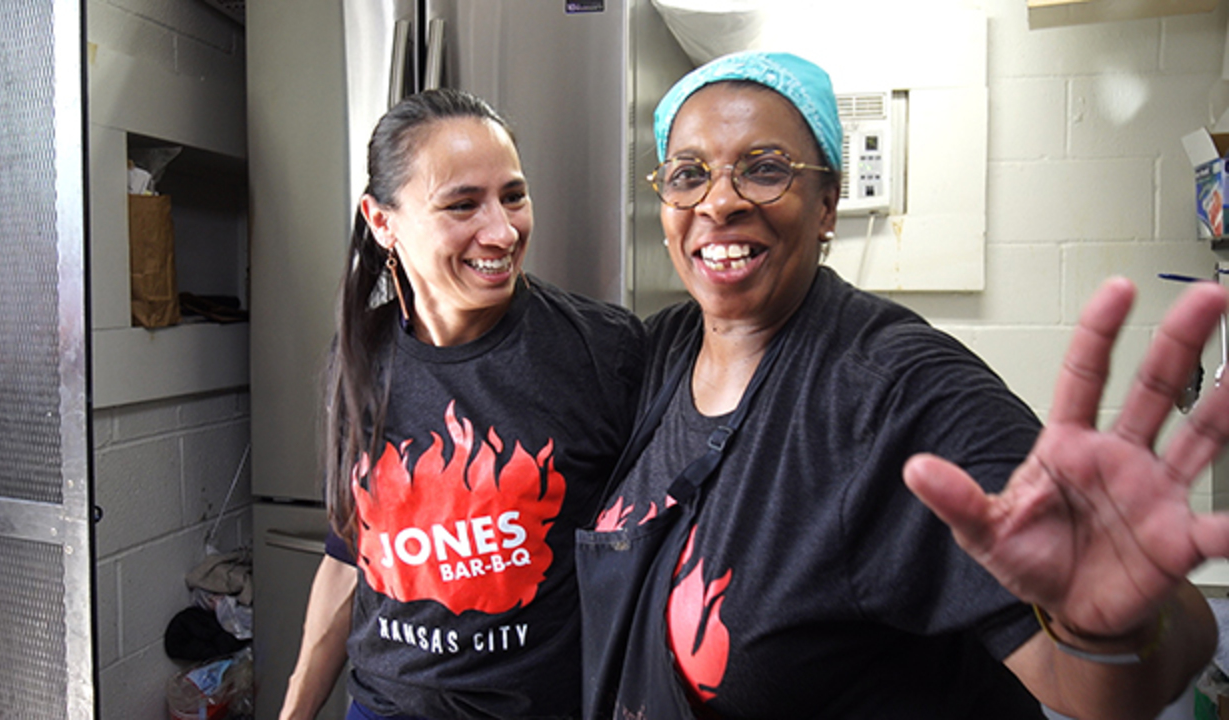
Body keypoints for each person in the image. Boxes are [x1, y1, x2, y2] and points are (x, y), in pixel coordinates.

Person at [576, 50, 1227, 720]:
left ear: (827, 203)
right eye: (689, 175)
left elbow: (1101, 686)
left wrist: (1110, 623)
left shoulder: (902, 395)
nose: (719, 201)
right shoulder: (660, 354)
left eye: (765, 169)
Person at [278, 88, 644, 720]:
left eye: (514, 196)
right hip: (382, 709)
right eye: (462, 204)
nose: (502, 231)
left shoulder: (601, 351)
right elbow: (348, 558)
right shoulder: (360, 350)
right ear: (382, 221)